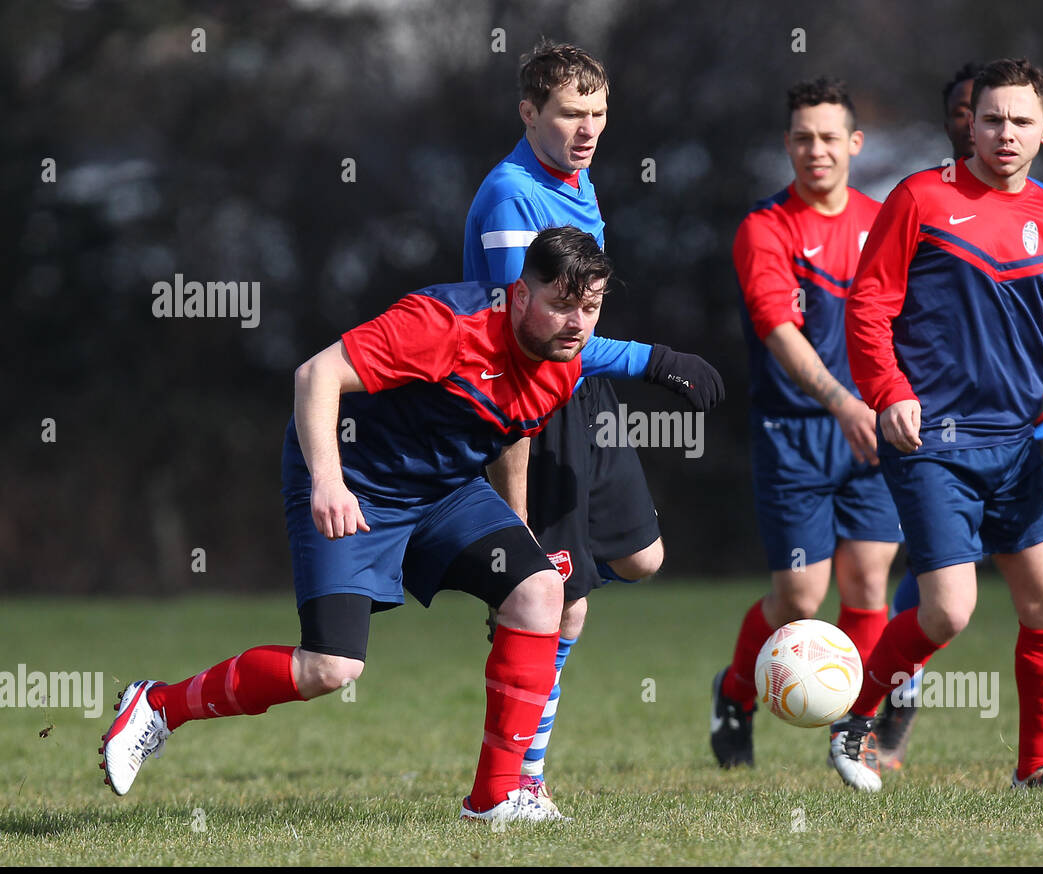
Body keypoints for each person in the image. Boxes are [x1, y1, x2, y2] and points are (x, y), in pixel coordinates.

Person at [102, 227, 636, 823]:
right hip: (356, 479)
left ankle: (497, 797)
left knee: (539, 590)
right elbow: (315, 376)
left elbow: (512, 430)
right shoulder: (441, 325)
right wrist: (327, 480)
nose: (577, 322)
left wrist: (517, 524)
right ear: (517, 297)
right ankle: (159, 706)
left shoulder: (563, 363)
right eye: (562, 304)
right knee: (330, 668)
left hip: (444, 491)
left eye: (589, 308)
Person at [464, 41, 723, 811]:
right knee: (563, 598)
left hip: (583, 396)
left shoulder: (578, 180)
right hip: (534, 399)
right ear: (528, 113)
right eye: (570, 114)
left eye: (598, 115)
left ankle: (529, 608)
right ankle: (519, 781)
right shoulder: (511, 195)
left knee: (643, 556)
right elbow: (534, 335)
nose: (587, 129)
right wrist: (653, 358)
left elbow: (575, 321)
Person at [839, 58, 1043, 792]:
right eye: (992, 119)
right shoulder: (921, 198)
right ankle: (856, 721)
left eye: (1021, 121)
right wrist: (888, 390)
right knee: (949, 610)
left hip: (1017, 444)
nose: (1005, 133)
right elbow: (868, 308)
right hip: (931, 443)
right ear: (969, 124)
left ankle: (1035, 768)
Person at [709, 77, 901, 769]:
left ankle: (853, 730)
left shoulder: (884, 224)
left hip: (874, 432)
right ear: (786, 145)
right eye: (801, 137)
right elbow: (779, 333)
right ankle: (735, 692)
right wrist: (841, 402)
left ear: (854, 143)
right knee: (800, 596)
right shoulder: (766, 228)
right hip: (796, 433)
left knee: (870, 585)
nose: (815, 150)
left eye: (828, 137)